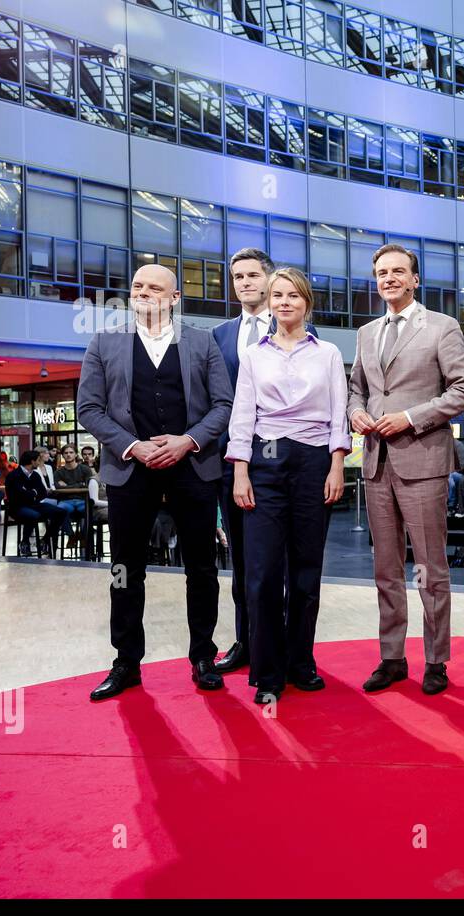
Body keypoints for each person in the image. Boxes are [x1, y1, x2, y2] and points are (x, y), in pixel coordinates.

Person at [77, 263, 233, 701]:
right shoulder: (104, 342)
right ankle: (126, 662)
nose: (144, 293)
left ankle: (203, 655)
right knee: (125, 569)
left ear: (175, 297)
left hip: (193, 469)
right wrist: (132, 445)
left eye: (154, 287)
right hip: (131, 471)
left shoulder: (201, 342)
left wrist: (188, 441)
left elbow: (223, 404)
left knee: (201, 568)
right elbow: (88, 408)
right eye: (137, 286)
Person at [348, 244, 464, 696]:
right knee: (386, 569)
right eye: (381, 272)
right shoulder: (366, 334)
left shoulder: (442, 328)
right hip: (376, 463)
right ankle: (392, 658)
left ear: (415, 279)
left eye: (398, 271)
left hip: (423, 461)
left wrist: (410, 417)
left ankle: (436, 661)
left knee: (430, 569)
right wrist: (356, 413)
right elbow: (356, 390)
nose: (389, 279)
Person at [228, 267, 349, 704]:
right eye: (276, 295)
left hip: (315, 463)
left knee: (305, 572)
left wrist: (337, 467)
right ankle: (267, 672)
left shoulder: (329, 353)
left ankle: (301, 662)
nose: (283, 302)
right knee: (261, 575)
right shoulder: (254, 355)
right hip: (266, 461)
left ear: (306, 302)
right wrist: (241, 470)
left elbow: (339, 416)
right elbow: (242, 414)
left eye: (292, 295)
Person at [211, 247, 277, 677]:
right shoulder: (217, 336)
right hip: (230, 460)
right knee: (240, 562)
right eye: (238, 277)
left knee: (277, 561)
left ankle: (279, 645)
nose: (246, 282)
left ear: (269, 278)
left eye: (253, 274)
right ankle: (246, 642)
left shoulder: (292, 325)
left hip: (280, 459)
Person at [2, 448, 69, 555]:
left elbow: (42, 493)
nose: (39, 462)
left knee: (61, 512)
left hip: (34, 504)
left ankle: (45, 539)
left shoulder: (35, 475)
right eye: (38, 460)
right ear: (32, 461)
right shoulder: (14, 476)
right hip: (17, 507)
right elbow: (17, 496)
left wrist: (30, 493)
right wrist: (33, 493)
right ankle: (25, 542)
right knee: (33, 515)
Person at [53, 444, 92, 545]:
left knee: (88, 509)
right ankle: (71, 535)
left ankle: (84, 536)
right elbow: (58, 488)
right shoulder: (58, 472)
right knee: (60, 510)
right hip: (66, 501)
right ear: (62, 455)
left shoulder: (85, 469)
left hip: (83, 500)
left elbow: (89, 487)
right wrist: (80, 485)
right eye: (66, 453)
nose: (68, 455)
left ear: (75, 455)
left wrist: (67, 486)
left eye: (71, 452)